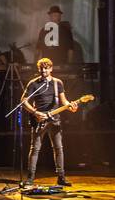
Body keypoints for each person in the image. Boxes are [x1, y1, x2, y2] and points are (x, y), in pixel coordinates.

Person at [19, 57, 77, 187]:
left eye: (46, 68)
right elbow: (23, 101)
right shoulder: (33, 83)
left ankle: (61, 177)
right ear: (38, 69)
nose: (43, 70)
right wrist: (35, 113)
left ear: (51, 69)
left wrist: (71, 106)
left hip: (55, 120)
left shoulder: (58, 83)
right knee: (35, 149)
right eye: (41, 68)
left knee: (58, 149)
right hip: (39, 119)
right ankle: (30, 178)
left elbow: (64, 101)